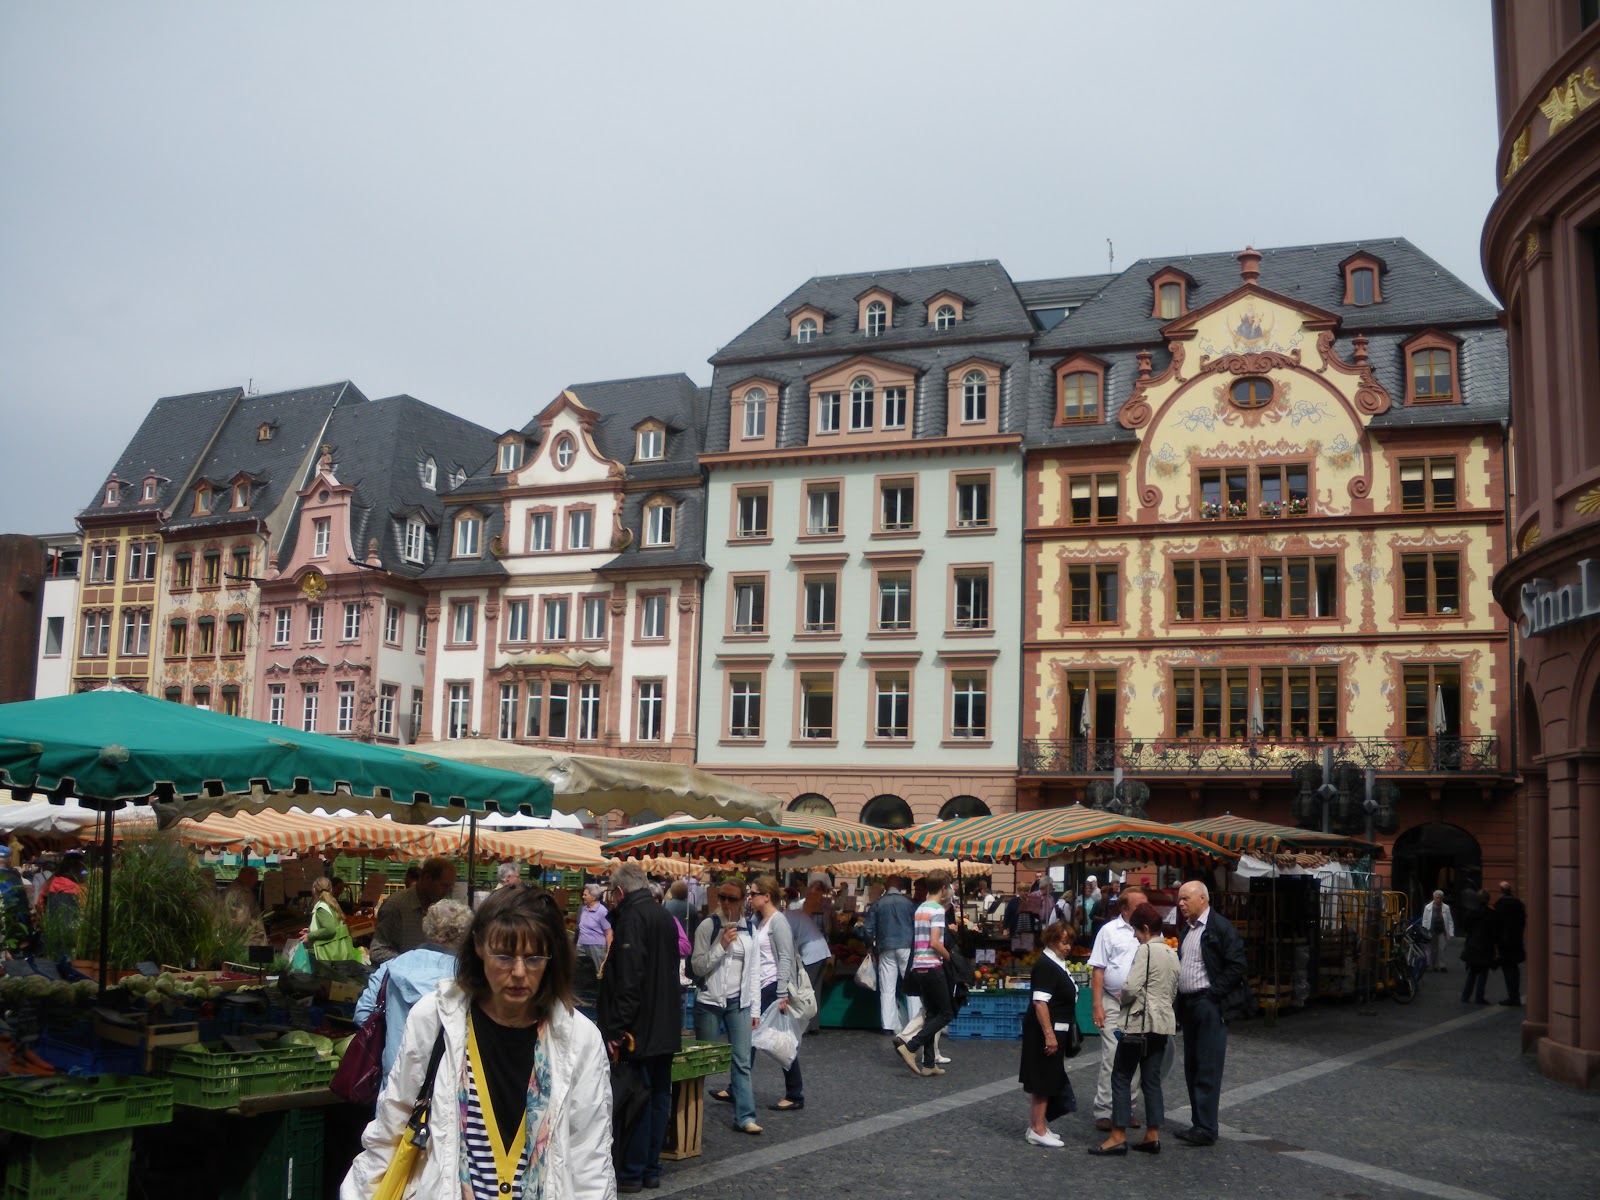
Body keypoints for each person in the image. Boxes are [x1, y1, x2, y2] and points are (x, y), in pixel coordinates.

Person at [340, 884, 613, 1200]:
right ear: (478, 947)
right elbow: (393, 1123)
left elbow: (590, 1155)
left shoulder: (579, 1038)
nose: (519, 972)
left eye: (534, 958)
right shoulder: (435, 1019)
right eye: (504, 956)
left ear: (552, 958)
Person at [598, 861, 682, 1192]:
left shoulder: (632, 918)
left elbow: (630, 979)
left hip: (639, 1028)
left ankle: (633, 1171)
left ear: (619, 891)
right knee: (659, 1096)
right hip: (664, 1022)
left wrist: (616, 1027)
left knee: (638, 1099)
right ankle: (650, 1168)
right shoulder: (663, 915)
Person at [1091, 902, 1178, 1157]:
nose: (1136, 937)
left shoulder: (1146, 951)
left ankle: (1118, 1136)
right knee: (1151, 1080)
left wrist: (1124, 996)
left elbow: (1131, 986)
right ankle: (1152, 1135)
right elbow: (1174, 989)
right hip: (1162, 1025)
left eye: (1137, 932)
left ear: (1146, 929)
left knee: (1120, 1076)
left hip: (1138, 1024)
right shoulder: (1172, 952)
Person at [355, 898, 473, 1077]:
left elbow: (362, 1015)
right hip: (447, 1078)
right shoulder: (469, 977)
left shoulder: (390, 968)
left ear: (427, 928)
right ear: (465, 936)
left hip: (394, 1074)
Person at [1173, 880, 1249, 1147]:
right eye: (1179, 899)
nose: (1181, 903)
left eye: (1186, 898)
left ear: (1202, 899)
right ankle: (1198, 1123)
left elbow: (1237, 965)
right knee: (1192, 1067)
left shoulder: (1220, 927)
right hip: (1189, 1005)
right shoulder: (1188, 930)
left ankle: (1206, 1127)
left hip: (1208, 1004)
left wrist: (1213, 995)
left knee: (1207, 1067)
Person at [689, 881, 762, 1134]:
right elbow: (698, 967)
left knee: (742, 1060)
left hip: (739, 1003)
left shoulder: (750, 930)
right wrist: (721, 946)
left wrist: (755, 1010)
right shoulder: (708, 926)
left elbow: (754, 972)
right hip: (709, 1002)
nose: (726, 903)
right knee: (702, 1062)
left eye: (732, 899)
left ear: (743, 901)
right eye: (722, 897)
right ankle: (689, 1114)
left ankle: (745, 1117)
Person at [1088, 887, 1148, 1133]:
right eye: (1139, 906)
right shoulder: (1109, 930)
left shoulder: (1148, 930)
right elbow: (1098, 969)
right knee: (1112, 1055)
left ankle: (1126, 1109)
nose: (1144, 909)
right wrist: (1097, 1005)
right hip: (1112, 1000)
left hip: (1139, 1003)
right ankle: (1105, 1110)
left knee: (1135, 1055)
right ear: (1124, 908)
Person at [745, 875, 805, 1111]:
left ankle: (795, 1094)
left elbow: (786, 956)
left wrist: (782, 992)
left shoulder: (778, 921)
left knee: (777, 1040)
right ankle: (737, 1086)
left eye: (753, 894)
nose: (750, 898)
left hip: (772, 986)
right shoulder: (760, 920)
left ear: (767, 896)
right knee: (754, 1037)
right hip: (760, 986)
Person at [1020, 920, 1079, 1147]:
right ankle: (1038, 1129)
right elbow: (1040, 1003)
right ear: (1052, 941)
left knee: (1047, 1077)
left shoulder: (1057, 962)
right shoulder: (1046, 965)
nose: (1068, 947)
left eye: (1069, 942)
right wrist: (1049, 1035)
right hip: (1045, 1031)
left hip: (1056, 1029)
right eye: (1064, 942)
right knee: (1043, 1079)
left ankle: (1037, 1125)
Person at [896, 869, 956, 1077]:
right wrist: (952, 959)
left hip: (918, 967)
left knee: (931, 1014)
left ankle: (929, 1064)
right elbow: (935, 943)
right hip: (932, 966)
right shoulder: (937, 910)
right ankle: (911, 1046)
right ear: (943, 888)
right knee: (946, 1013)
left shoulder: (920, 908)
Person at [370, 857, 458, 965]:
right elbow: (378, 951)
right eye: (444, 886)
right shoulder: (396, 906)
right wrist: (413, 963)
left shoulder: (441, 908)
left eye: (450, 887)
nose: (447, 892)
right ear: (427, 878)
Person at [865, 875, 918, 1034]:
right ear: (900, 886)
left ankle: (888, 1025)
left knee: (887, 987)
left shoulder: (878, 904)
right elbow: (916, 925)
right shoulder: (909, 903)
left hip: (886, 946)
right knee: (911, 986)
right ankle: (915, 1022)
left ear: (886, 886)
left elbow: (868, 929)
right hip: (906, 946)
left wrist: (870, 946)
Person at [784, 889, 832, 1035]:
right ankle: (813, 1026)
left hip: (811, 954)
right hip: (821, 951)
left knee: (803, 990)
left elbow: (786, 942)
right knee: (814, 990)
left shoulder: (784, 917)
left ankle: (803, 1025)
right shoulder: (796, 914)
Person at [306, 876, 360, 962]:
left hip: (328, 954)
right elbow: (333, 924)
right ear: (331, 889)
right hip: (338, 951)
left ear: (314, 890)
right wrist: (311, 930)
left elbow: (330, 929)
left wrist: (309, 936)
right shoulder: (332, 905)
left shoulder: (322, 907)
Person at [1460, 889, 1498, 1005]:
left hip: (1472, 945)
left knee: (1472, 972)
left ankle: (1466, 995)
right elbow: (1494, 932)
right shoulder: (1491, 914)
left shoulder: (1471, 913)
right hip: (1486, 946)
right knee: (1483, 973)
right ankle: (1479, 997)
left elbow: (1466, 928)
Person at [1494, 882, 1526, 1006]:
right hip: (1516, 941)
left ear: (1501, 891)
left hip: (1505, 942)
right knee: (1514, 968)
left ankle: (1513, 996)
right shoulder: (1518, 904)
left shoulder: (1500, 905)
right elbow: (1522, 921)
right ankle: (1515, 995)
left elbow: (1497, 925)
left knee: (1508, 970)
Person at [576, 883, 613, 977]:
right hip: (581, 945)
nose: (583, 897)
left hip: (596, 947)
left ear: (594, 897)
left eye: (585, 895)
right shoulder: (583, 909)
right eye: (583, 894)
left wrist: (608, 952)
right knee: (581, 972)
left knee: (596, 972)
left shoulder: (602, 911)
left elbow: (608, 932)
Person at [1422, 889, 1454, 972]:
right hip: (1432, 930)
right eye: (1437, 898)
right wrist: (1425, 931)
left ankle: (1442, 965)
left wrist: (1451, 933)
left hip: (1442, 930)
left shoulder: (1446, 907)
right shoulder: (1428, 907)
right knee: (1433, 949)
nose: (1438, 900)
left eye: (1440, 898)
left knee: (1442, 948)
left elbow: (1450, 921)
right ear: (1434, 898)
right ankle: (1434, 965)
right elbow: (1425, 920)